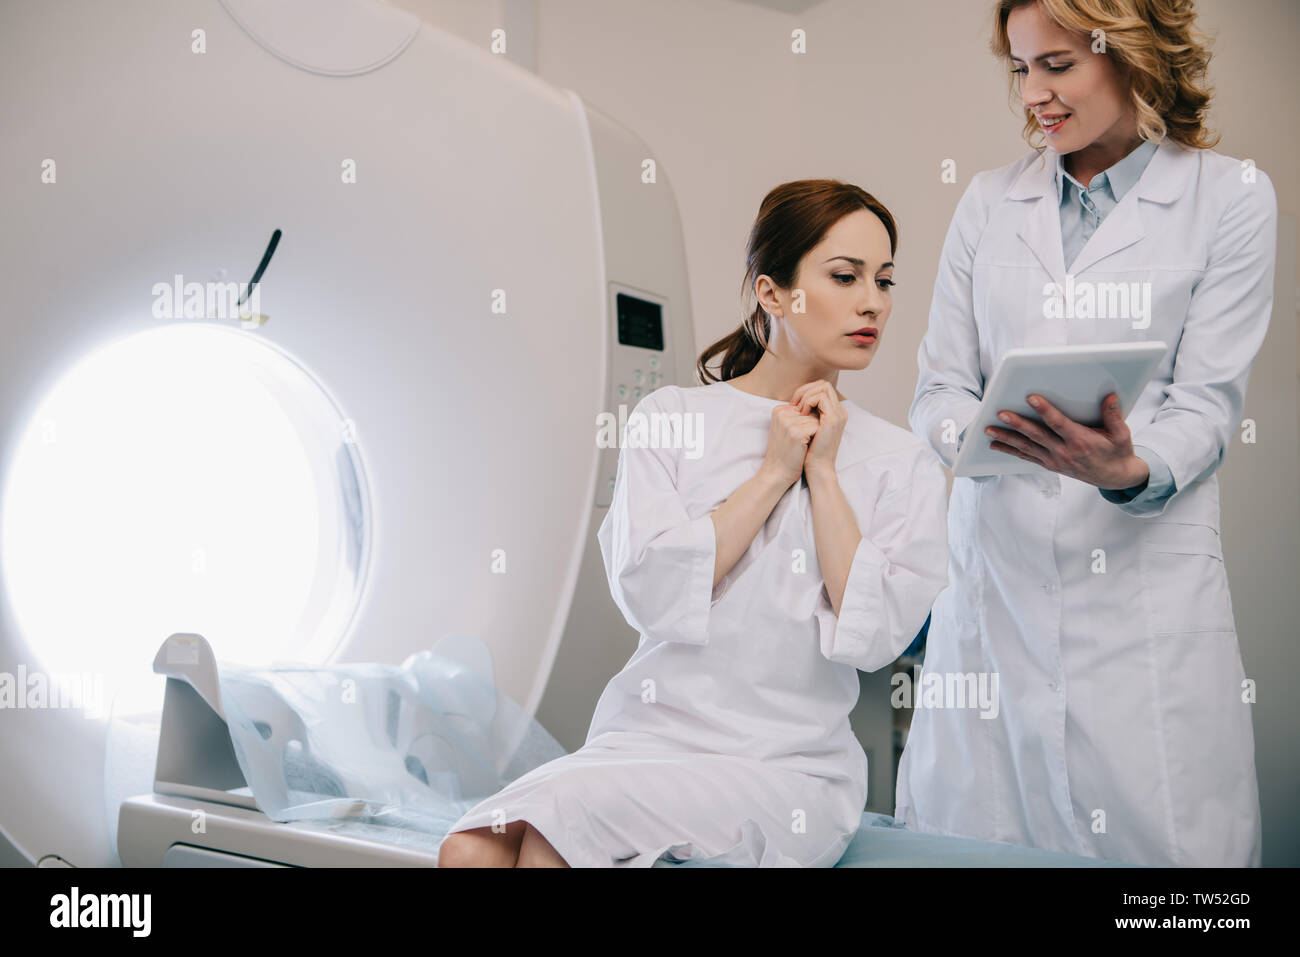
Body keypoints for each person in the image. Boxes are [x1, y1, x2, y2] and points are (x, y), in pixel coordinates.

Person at [438, 180, 948, 867]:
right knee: (469, 849)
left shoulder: (899, 459)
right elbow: (649, 591)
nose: (872, 302)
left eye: (884, 280)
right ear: (772, 293)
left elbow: (875, 634)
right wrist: (773, 471)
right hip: (648, 737)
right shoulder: (672, 418)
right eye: (845, 276)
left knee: (550, 847)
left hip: (785, 763)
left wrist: (822, 472)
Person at [894, 0, 1276, 866]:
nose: (1034, 93)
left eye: (1057, 65)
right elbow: (937, 389)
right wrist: (980, 434)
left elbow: (1208, 404)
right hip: (994, 587)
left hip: (1142, 597)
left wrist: (1129, 467)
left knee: (1168, 880)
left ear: (1131, 55)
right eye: (1021, 69)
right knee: (972, 839)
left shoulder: (1229, 200)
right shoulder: (989, 203)